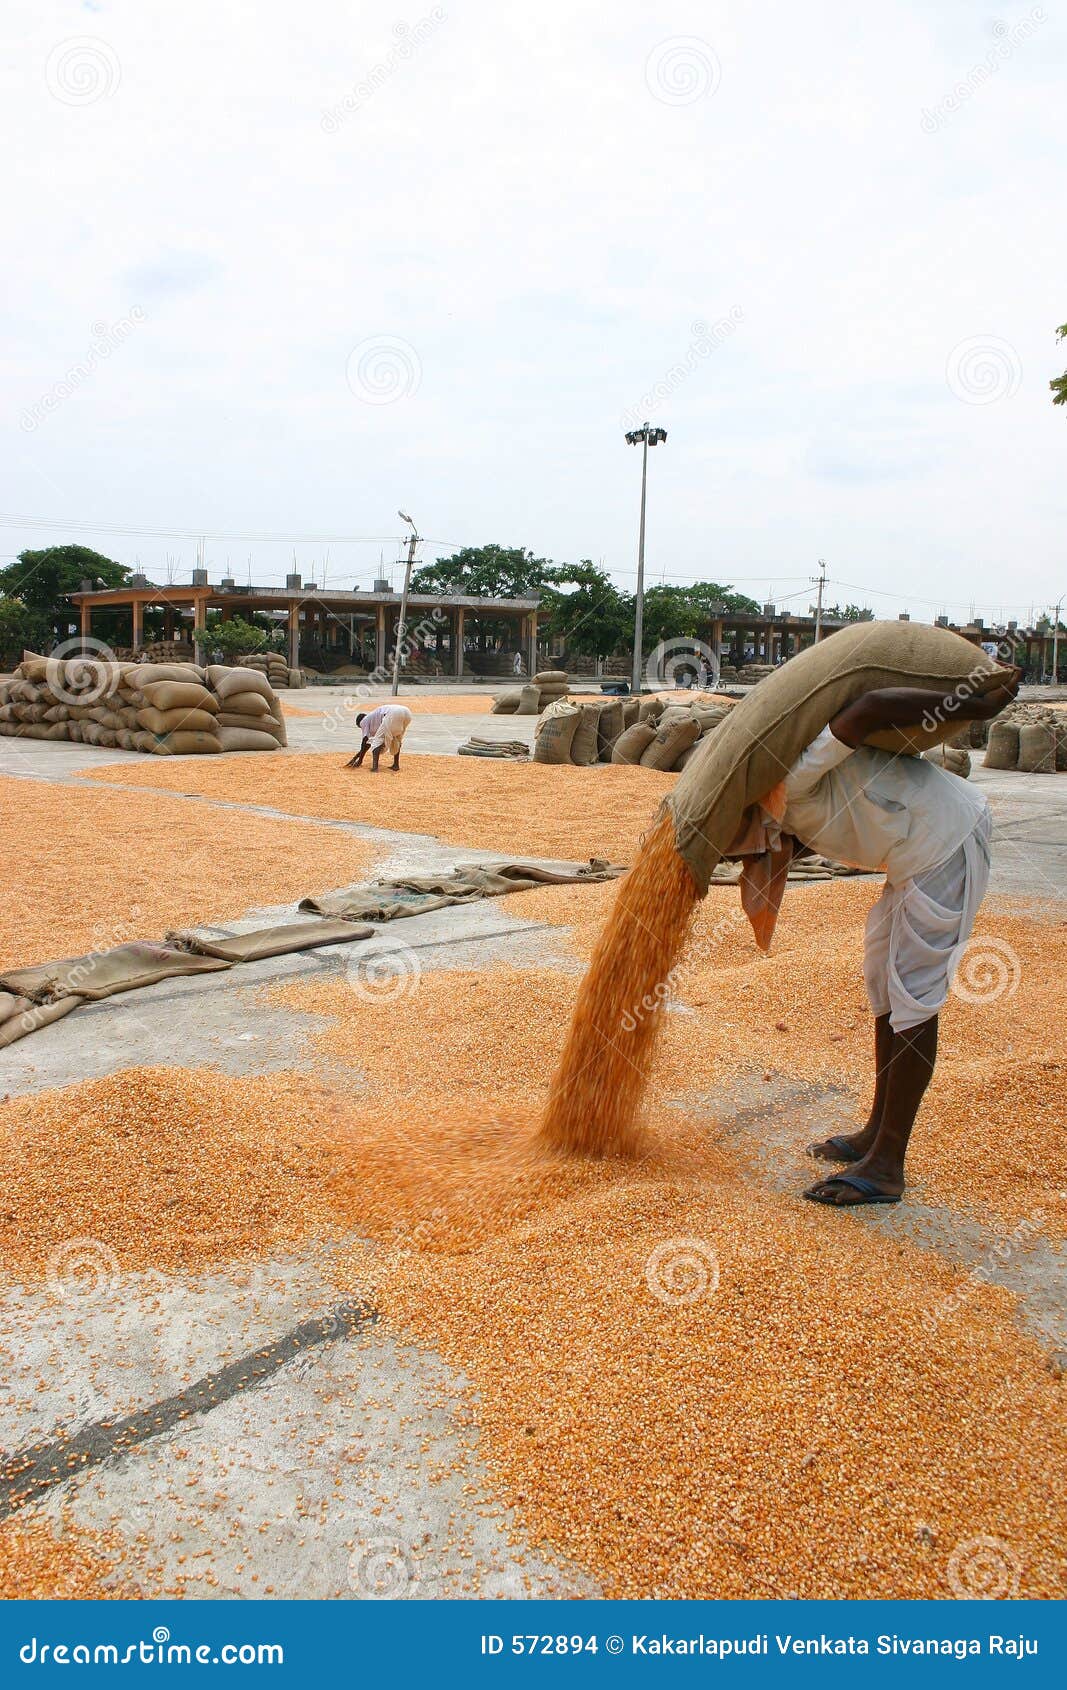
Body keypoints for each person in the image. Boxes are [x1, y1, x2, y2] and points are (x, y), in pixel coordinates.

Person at [775, 671, 1020, 1207]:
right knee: (884, 987)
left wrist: (976, 707)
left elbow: (872, 705)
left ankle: (888, 1163)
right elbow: (813, 832)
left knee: (913, 994)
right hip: (909, 854)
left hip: (945, 839)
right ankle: (874, 1131)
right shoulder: (779, 813)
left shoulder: (791, 777)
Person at [346, 702, 413, 772]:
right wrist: (356, 757)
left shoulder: (363, 721)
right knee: (396, 739)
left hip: (393, 713)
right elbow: (368, 743)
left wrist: (359, 761)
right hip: (407, 712)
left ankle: (375, 768)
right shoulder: (373, 719)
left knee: (376, 744)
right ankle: (396, 765)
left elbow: (365, 741)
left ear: (359, 723)